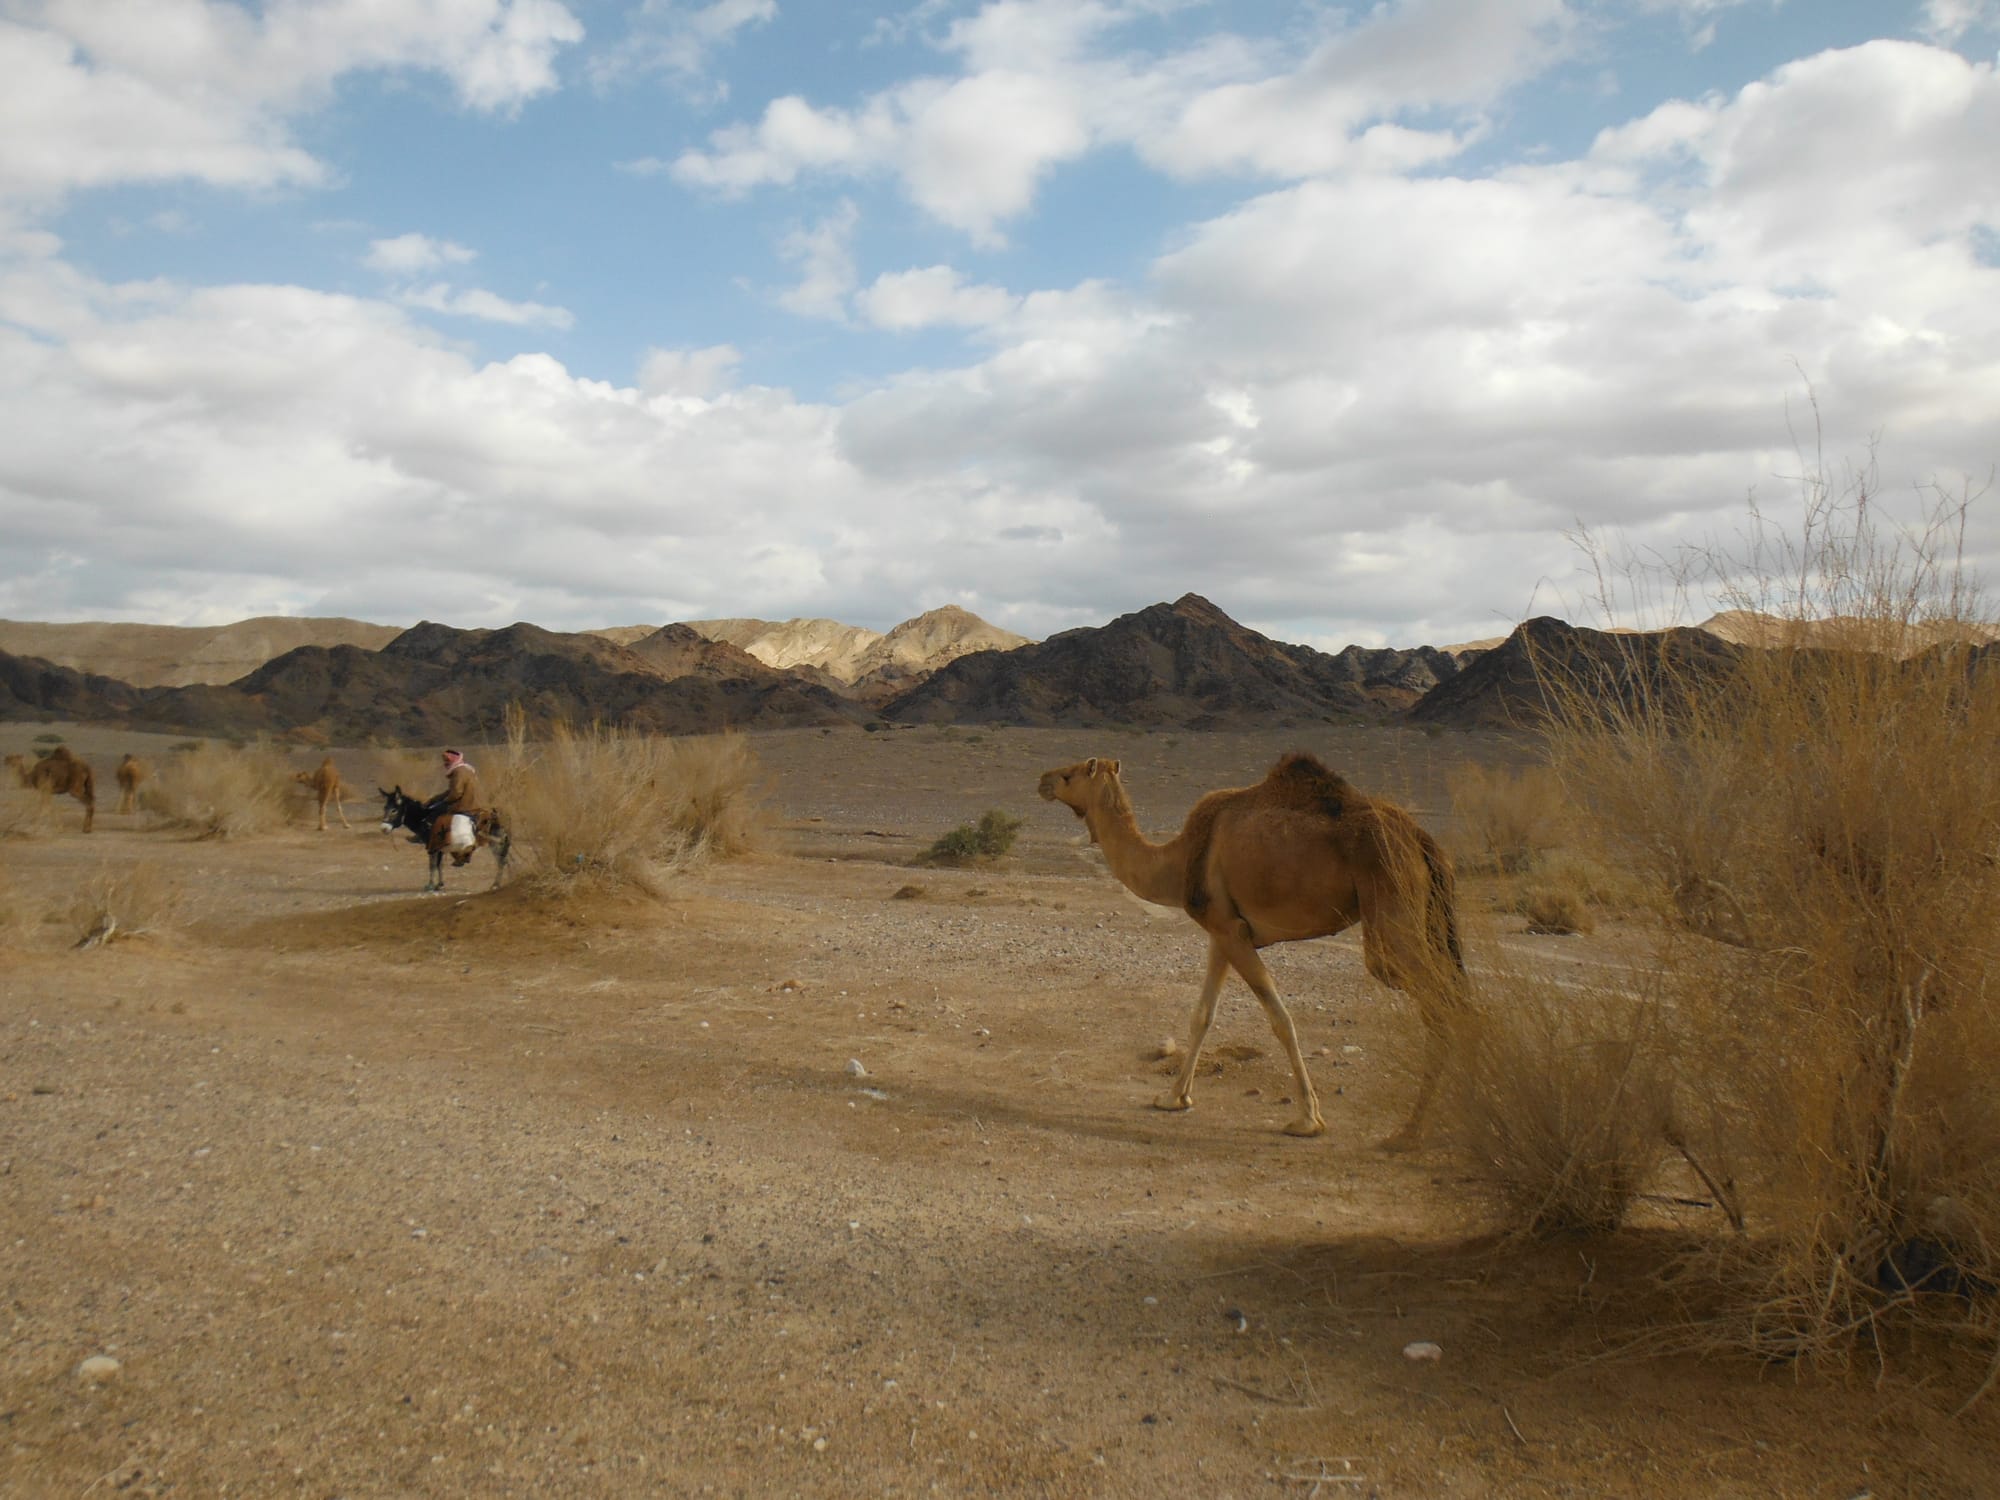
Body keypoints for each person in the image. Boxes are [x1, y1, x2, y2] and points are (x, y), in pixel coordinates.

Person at [424, 748, 488, 863]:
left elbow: (456, 793)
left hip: (465, 805)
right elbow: (451, 791)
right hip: (476, 803)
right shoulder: (467, 770)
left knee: (435, 814)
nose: (446, 763)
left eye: (447, 761)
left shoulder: (459, 772)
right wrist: (435, 799)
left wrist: (443, 801)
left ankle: (435, 842)